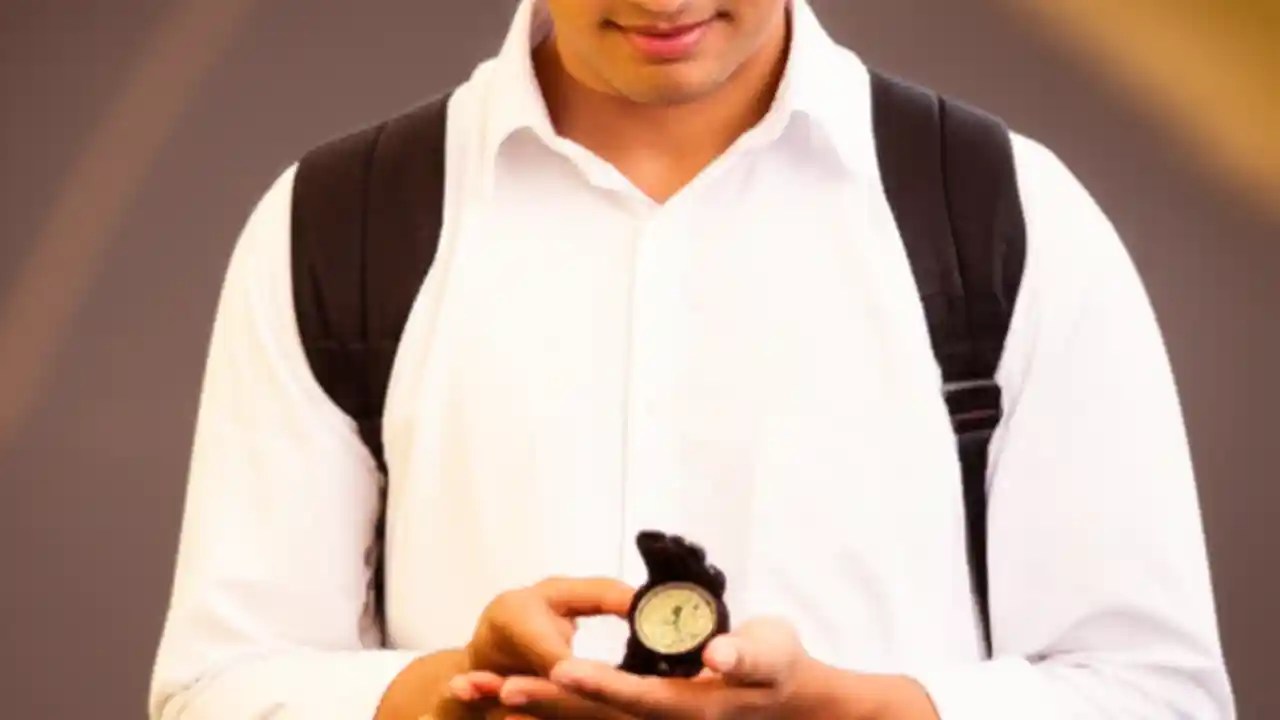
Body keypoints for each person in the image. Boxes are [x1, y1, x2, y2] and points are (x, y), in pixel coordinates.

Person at [148, 0, 1235, 718]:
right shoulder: (334, 223)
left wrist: (849, 708)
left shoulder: (1005, 214)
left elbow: (1156, 697)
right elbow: (214, 691)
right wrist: (449, 694)